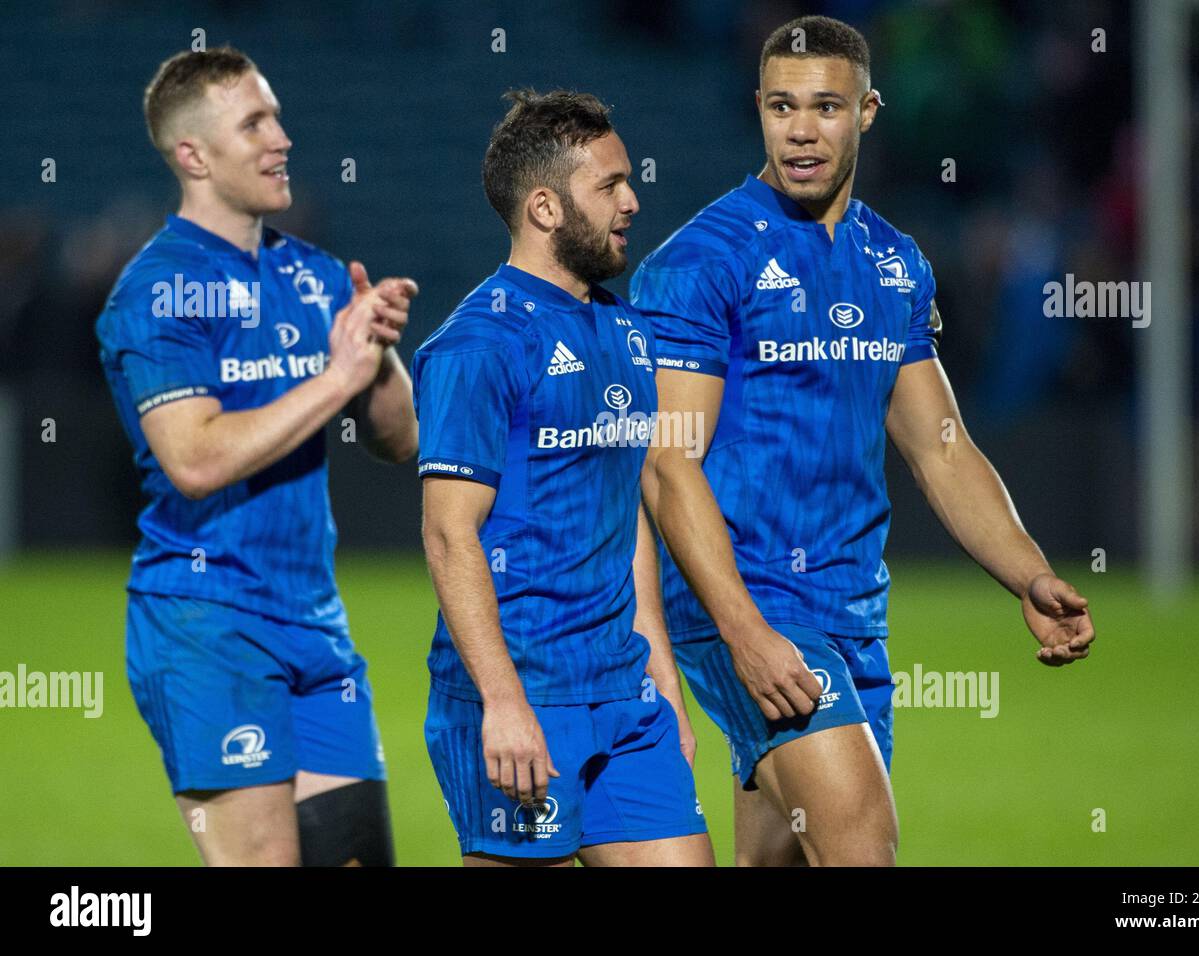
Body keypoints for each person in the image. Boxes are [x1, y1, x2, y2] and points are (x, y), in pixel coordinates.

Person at [631, 15, 1096, 866]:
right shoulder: (702, 261)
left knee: (785, 857)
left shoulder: (896, 264)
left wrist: (1026, 573)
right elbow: (668, 464)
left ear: (868, 111)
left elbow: (942, 448)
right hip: (751, 604)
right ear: (759, 110)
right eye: (781, 106)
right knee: (861, 849)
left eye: (825, 107)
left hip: (854, 615)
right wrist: (742, 628)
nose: (801, 130)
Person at [95, 46, 418, 865]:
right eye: (254, 123)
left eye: (275, 115)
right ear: (193, 156)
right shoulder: (157, 291)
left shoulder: (310, 276)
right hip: (208, 629)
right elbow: (194, 460)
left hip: (316, 625)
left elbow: (402, 440)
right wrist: (332, 375)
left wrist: (375, 354)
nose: (281, 138)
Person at [413, 89, 712, 866]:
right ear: (545, 207)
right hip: (524, 697)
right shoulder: (476, 346)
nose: (632, 199)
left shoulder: (627, 330)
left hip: (625, 694)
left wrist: (662, 679)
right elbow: (450, 534)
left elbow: (626, 520)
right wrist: (503, 703)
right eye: (609, 185)